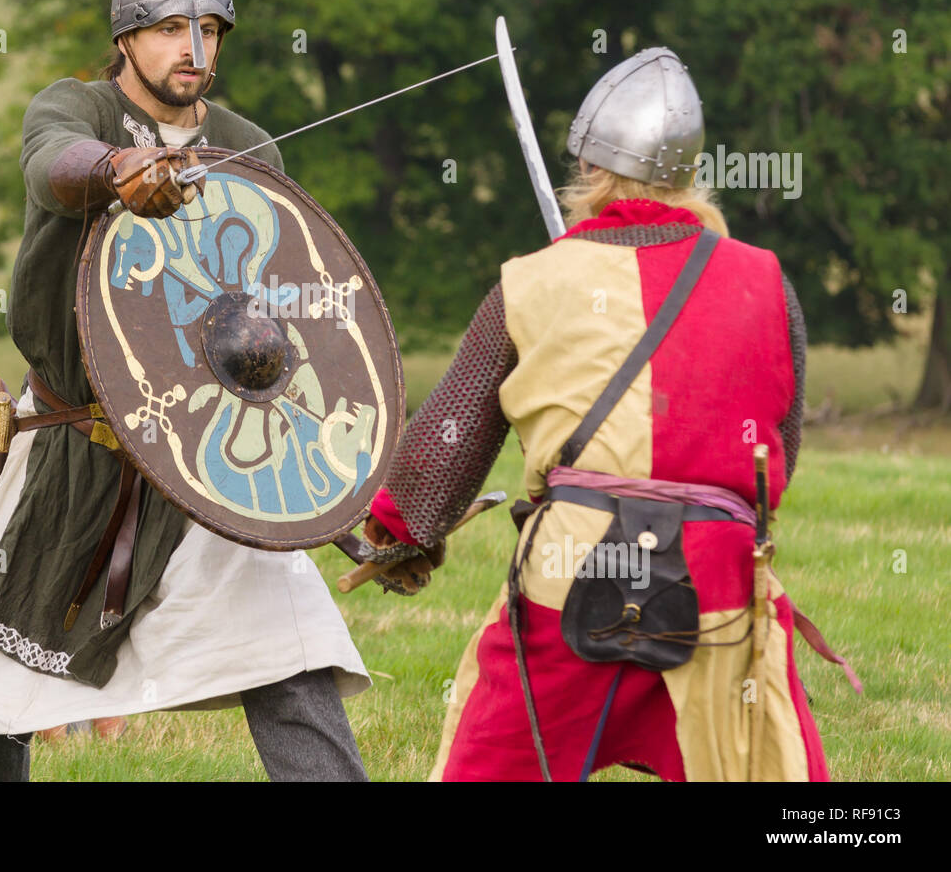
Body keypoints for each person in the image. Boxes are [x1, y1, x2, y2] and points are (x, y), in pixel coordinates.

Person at [0, 0, 369, 782]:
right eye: (169, 27)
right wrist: (119, 166)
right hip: (75, 446)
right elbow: (50, 165)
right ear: (126, 38)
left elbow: (285, 319)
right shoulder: (76, 108)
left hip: (212, 453)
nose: (192, 50)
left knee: (294, 653)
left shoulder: (251, 147)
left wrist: (341, 477)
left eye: (209, 30)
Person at [362, 47, 849, 781]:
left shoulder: (531, 280)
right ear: (688, 174)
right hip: (716, 582)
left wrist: (402, 533)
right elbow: (779, 452)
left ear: (590, 171)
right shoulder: (766, 282)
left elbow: (444, 444)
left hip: (572, 583)